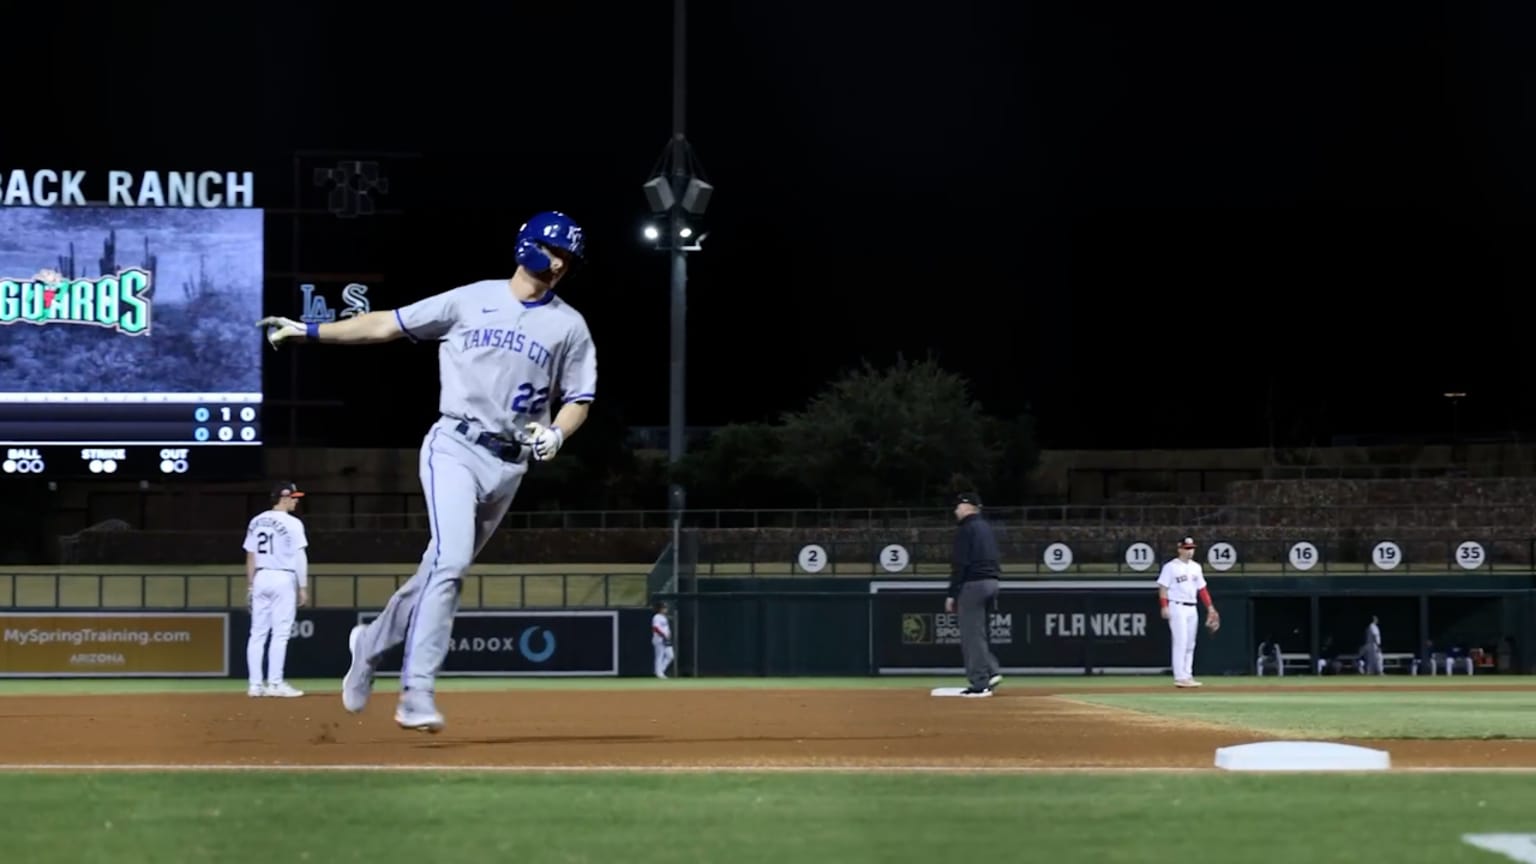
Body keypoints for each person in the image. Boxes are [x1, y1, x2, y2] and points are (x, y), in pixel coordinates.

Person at [256, 211, 597, 733]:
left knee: (439, 568)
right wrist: (310, 331)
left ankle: (369, 644)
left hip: (510, 465)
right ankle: (417, 691)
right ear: (526, 246)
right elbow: (386, 323)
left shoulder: (569, 325)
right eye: (554, 251)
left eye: (568, 258)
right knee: (453, 561)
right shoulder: (471, 299)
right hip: (454, 446)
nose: (560, 264)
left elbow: (580, 398)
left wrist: (558, 433)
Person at [241, 482, 309, 698]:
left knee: (257, 634)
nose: (297, 500)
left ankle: (255, 685)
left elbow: (250, 555)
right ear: (284, 497)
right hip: (283, 576)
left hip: (261, 576)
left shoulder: (256, 520)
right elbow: (300, 556)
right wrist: (303, 586)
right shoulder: (293, 523)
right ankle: (275, 683)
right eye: (294, 497)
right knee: (280, 634)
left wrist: (251, 585)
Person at [947, 492, 1003, 697]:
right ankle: (991, 671)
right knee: (979, 634)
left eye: (958, 506)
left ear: (968, 507)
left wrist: (952, 593)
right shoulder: (986, 528)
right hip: (992, 582)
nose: (955, 510)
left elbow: (960, 564)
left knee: (971, 635)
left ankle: (980, 682)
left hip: (973, 584)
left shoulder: (966, 529)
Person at [1156, 536, 1220, 688]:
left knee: (1190, 643)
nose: (1190, 551)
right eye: (1187, 548)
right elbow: (1163, 588)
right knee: (1181, 641)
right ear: (1179, 549)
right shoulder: (1171, 567)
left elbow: (1202, 589)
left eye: (1191, 548)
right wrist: (1164, 606)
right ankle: (1180, 676)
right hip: (1177, 606)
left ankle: (1188, 674)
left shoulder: (1196, 567)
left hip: (1192, 607)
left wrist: (1210, 607)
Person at [651, 600, 674, 679]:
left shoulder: (663, 617)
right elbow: (655, 628)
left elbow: (665, 628)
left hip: (666, 639)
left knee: (670, 656)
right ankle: (659, 673)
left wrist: (668, 634)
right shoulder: (656, 617)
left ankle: (659, 670)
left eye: (665, 607)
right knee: (659, 656)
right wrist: (663, 635)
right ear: (660, 609)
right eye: (664, 608)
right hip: (659, 639)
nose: (666, 609)